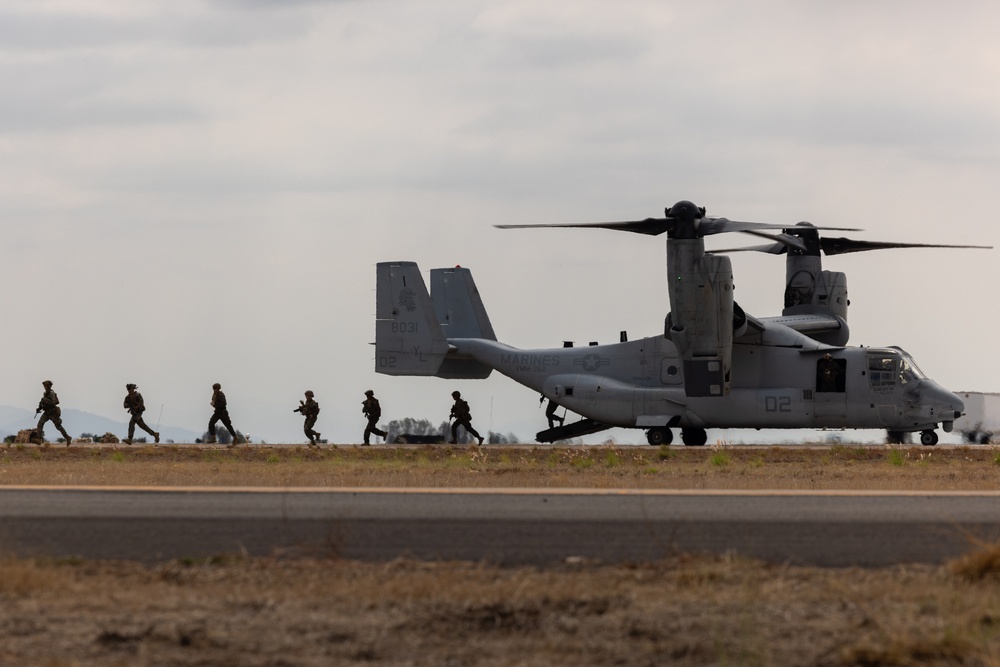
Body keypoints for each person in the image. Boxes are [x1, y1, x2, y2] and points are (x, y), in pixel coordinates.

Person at [35, 380, 73, 446]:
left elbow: (53, 402)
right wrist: (39, 408)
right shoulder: (45, 393)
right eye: (44, 386)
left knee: (58, 426)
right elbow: (42, 403)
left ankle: (67, 437)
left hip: (53, 412)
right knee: (40, 424)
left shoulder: (51, 393)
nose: (44, 387)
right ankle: (39, 439)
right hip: (47, 412)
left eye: (45, 386)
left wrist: (44, 400)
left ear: (49, 386)